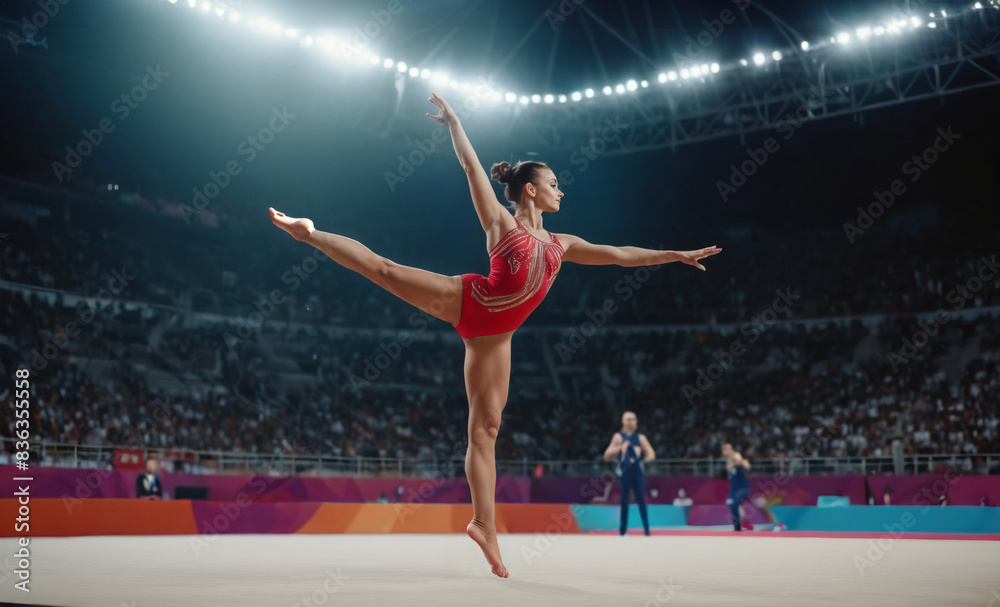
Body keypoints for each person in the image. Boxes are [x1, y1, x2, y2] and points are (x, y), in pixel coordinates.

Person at [269, 92, 721, 577]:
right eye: (553, 183)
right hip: (468, 301)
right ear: (530, 190)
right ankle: (311, 233)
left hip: (496, 339)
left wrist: (671, 255)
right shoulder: (503, 224)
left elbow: (620, 254)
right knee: (384, 269)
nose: (560, 191)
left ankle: (484, 525)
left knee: (485, 433)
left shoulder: (562, 244)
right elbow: (472, 169)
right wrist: (455, 124)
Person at [603, 411, 656, 535]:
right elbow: (606, 456)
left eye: (633, 419)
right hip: (625, 473)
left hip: (637, 472)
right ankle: (622, 530)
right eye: (628, 419)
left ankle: (647, 530)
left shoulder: (641, 438)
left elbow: (651, 454)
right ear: (623, 421)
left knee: (641, 499)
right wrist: (620, 448)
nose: (631, 421)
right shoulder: (618, 437)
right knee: (624, 501)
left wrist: (641, 459)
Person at [721, 443, 751, 530]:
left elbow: (740, 460)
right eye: (725, 449)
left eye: (729, 449)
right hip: (734, 489)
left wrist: (733, 465)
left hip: (743, 488)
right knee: (732, 505)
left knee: (735, 504)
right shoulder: (727, 460)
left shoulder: (736, 455)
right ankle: (737, 528)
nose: (727, 451)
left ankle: (740, 527)